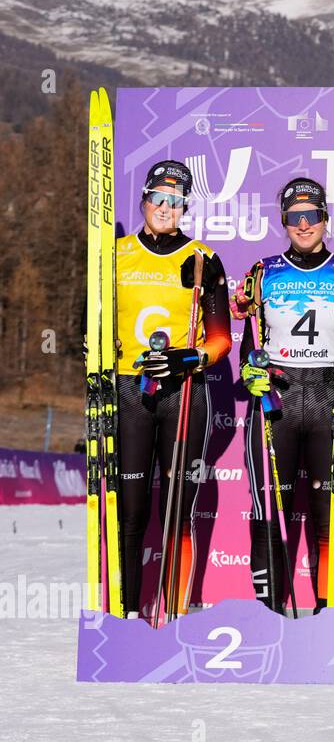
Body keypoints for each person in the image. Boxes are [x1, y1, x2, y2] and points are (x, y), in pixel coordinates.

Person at [118, 160, 231, 616]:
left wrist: (194, 356)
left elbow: (221, 338)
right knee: (130, 511)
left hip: (183, 393)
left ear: (185, 207)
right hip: (129, 389)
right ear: (144, 201)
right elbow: (93, 321)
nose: (165, 208)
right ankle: (125, 612)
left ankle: (176, 613)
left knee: (177, 511)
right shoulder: (117, 254)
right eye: (158, 199)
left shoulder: (203, 258)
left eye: (175, 201)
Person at [234, 177, 334, 614]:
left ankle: (327, 611)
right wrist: (249, 370)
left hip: (327, 394)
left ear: (325, 219)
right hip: (276, 398)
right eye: (295, 217)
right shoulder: (264, 271)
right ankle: (269, 611)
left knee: (326, 511)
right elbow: (251, 340)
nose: (304, 225)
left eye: (312, 215)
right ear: (284, 221)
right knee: (268, 511)